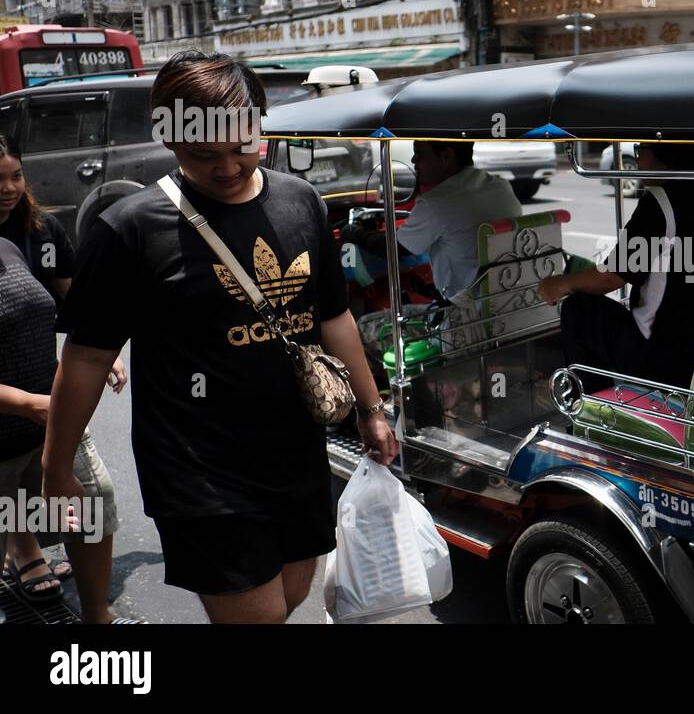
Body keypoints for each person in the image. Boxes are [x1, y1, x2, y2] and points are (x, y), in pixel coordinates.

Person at [43, 51, 397, 624]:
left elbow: (334, 319)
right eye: (204, 154)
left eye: (241, 146)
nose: (228, 166)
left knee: (288, 597)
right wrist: (56, 468)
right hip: (198, 469)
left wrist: (370, 409)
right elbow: (84, 358)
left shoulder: (299, 201)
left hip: (297, 451)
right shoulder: (129, 228)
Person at [0, 135, 129, 623]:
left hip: (49, 405)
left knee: (89, 505)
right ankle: (24, 547)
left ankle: (98, 615)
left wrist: (96, 352)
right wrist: (27, 404)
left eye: (16, 176)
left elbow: (74, 304)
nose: (9, 188)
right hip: (26, 411)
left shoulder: (36, 235)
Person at [537, 142, 694, 390]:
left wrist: (561, 283)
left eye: (641, 151)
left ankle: (590, 410)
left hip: (667, 362)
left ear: (666, 158)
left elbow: (610, 278)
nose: (638, 161)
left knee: (578, 310)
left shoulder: (661, 203)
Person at [341, 141, 521, 301]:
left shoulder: (437, 202)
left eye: (419, 153)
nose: (413, 160)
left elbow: (394, 247)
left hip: (465, 317)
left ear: (446, 156)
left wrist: (356, 233)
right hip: (511, 299)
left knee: (366, 325)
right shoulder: (501, 186)